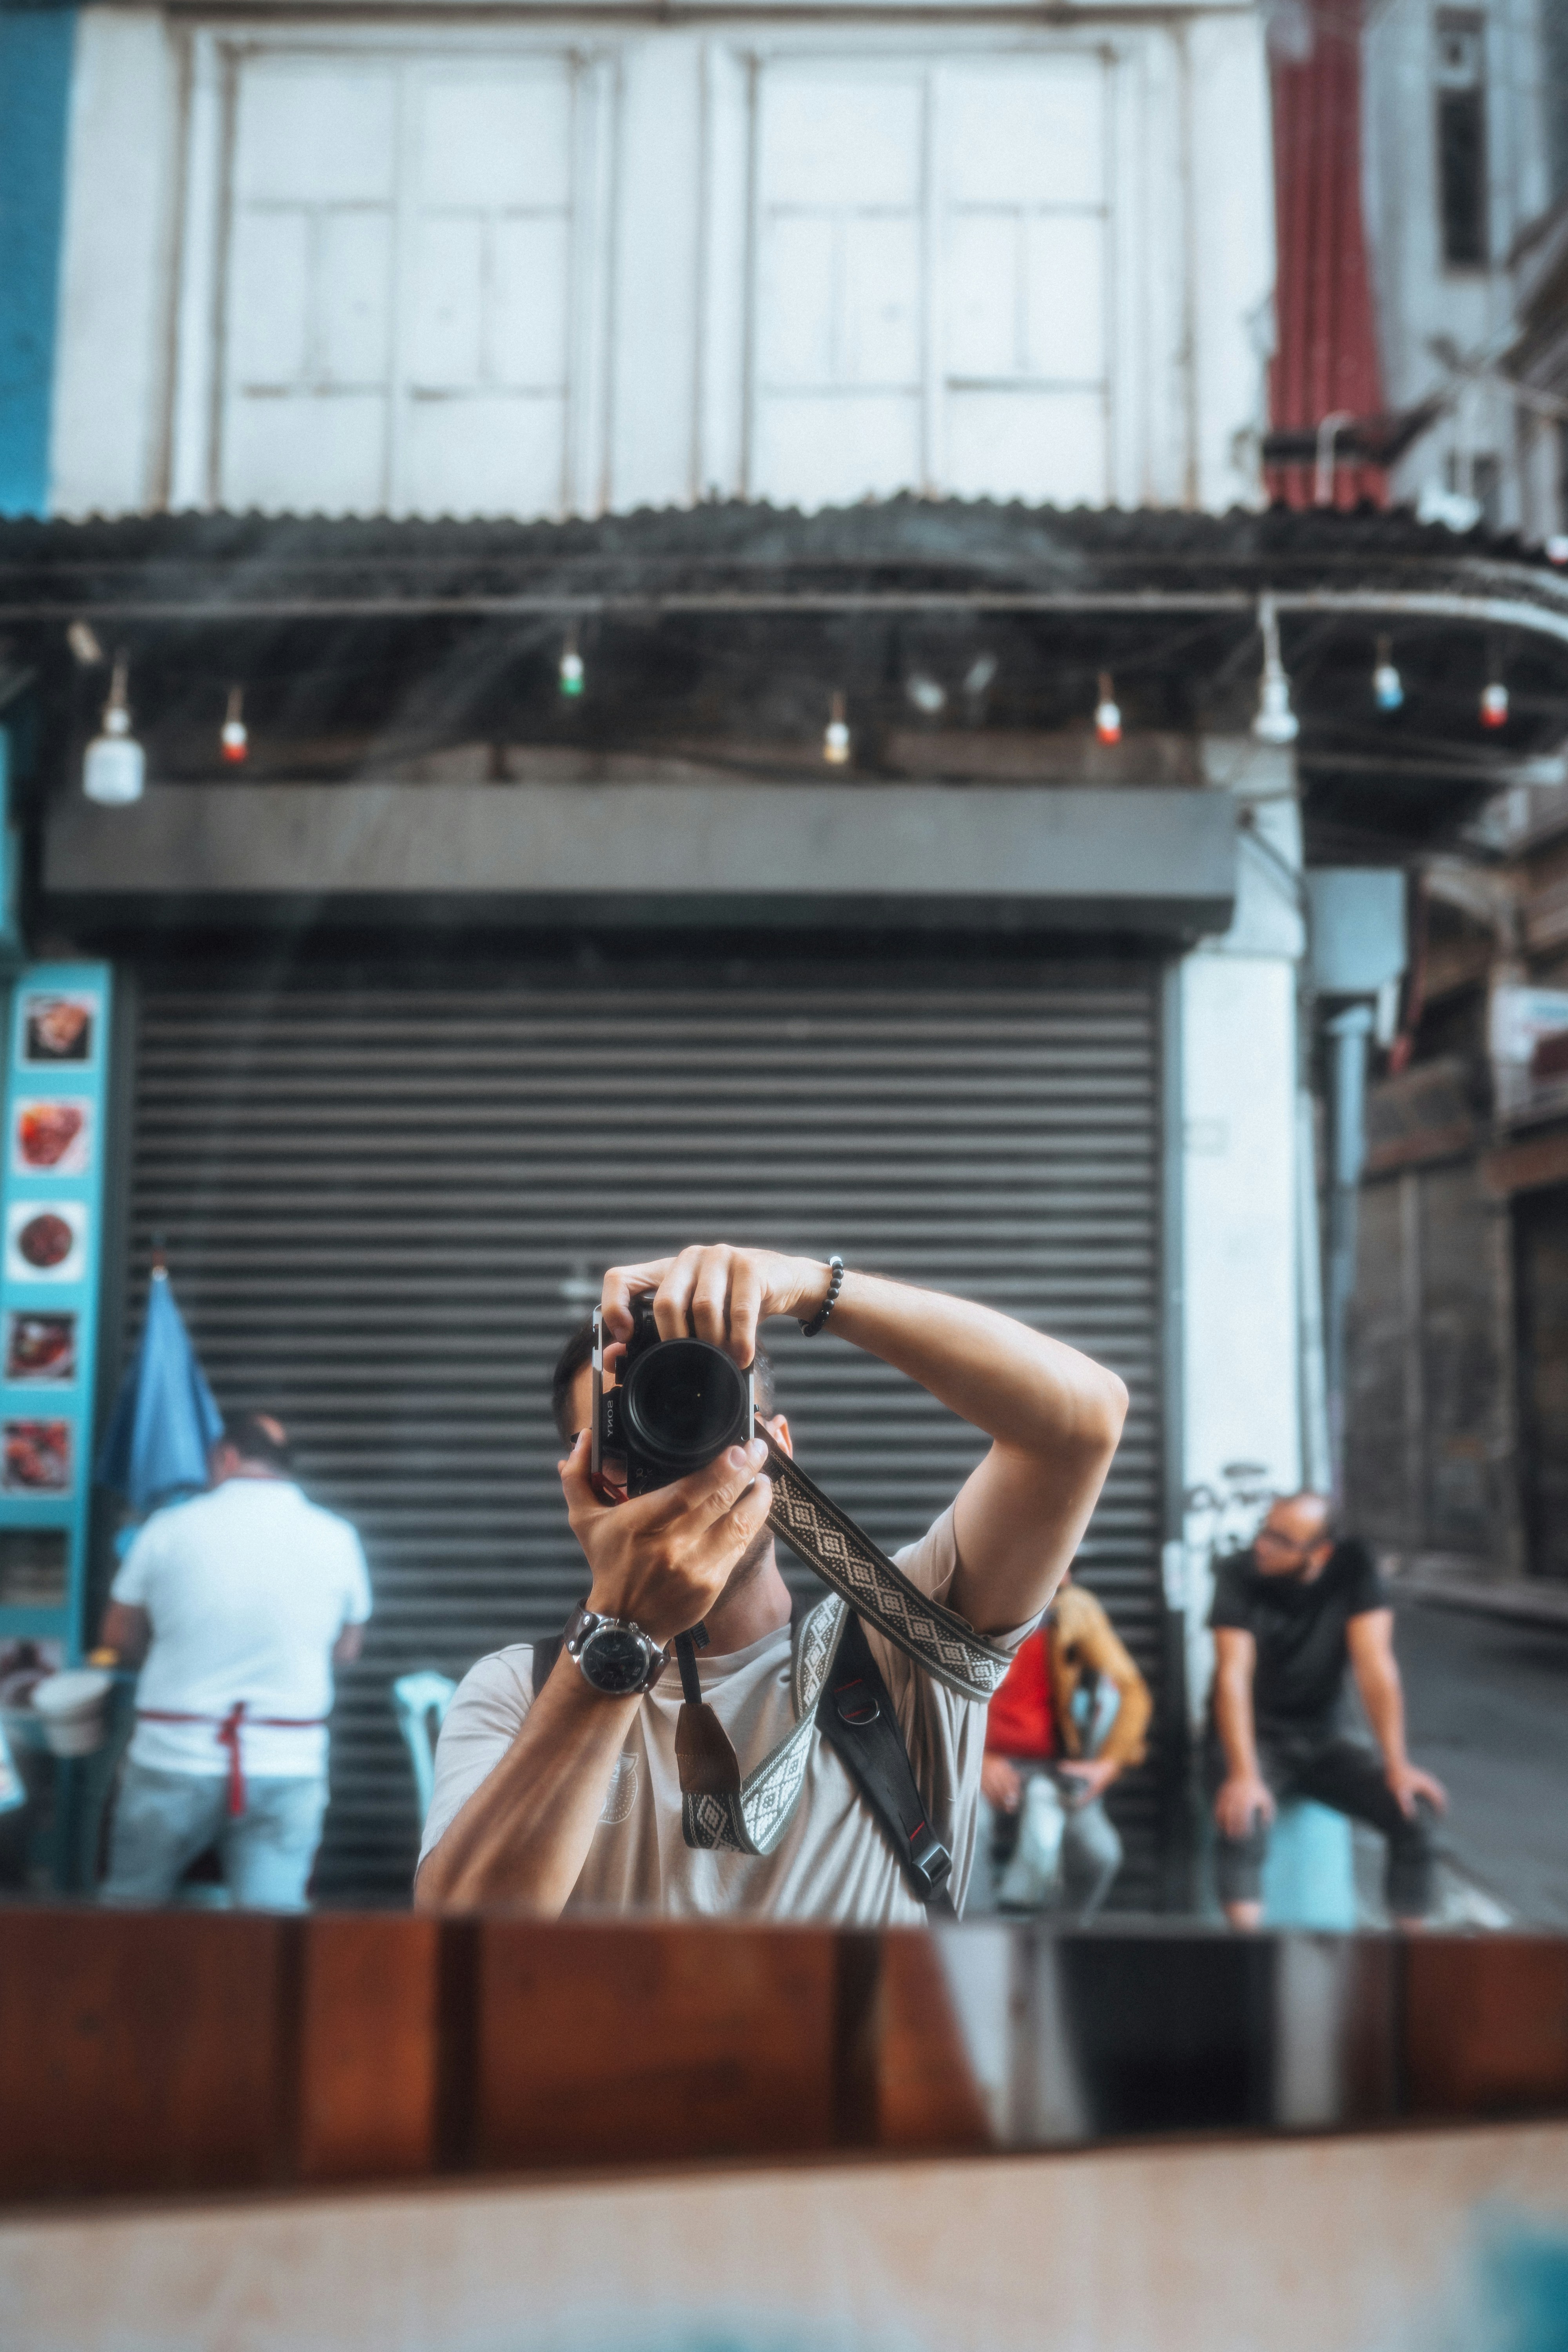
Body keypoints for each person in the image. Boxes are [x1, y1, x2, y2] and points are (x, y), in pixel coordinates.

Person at [416, 1243, 1127, 1923]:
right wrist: (618, 1638)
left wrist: (813, 1286)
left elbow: (1084, 1421)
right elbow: (457, 1941)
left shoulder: (902, 1651)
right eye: (628, 1438)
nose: (681, 1463)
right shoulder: (519, 1692)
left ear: (776, 1447)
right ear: (582, 1477)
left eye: (707, 1417)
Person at [98, 1411, 371, 1911]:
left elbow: (117, 1636)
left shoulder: (169, 1528)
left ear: (225, 1457)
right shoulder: (338, 1537)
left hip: (172, 1754)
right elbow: (346, 1651)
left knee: (129, 1915)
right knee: (271, 1935)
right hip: (287, 1761)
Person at [1209, 1490, 1445, 1929]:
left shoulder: (1354, 1567)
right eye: (1265, 1530)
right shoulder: (1237, 1573)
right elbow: (1232, 1676)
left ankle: (1412, 1966)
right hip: (1254, 1738)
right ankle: (1246, 1966)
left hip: (1324, 1738)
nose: (1262, 1545)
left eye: (1280, 1540)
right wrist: (1244, 1774)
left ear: (1319, 1553)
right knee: (1241, 1820)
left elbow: (1374, 1667)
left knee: (1415, 1816)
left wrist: (1398, 1764)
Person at [976, 1566, 1151, 1919]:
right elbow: (927, 1701)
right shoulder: (969, 1609)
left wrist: (1107, 1765)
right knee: (963, 1837)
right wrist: (975, 1762)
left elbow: (1132, 1690)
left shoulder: (1072, 1612)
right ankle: (977, 1938)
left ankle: (1054, 1938)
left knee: (1099, 1853)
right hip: (978, 1764)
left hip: (1051, 1767)